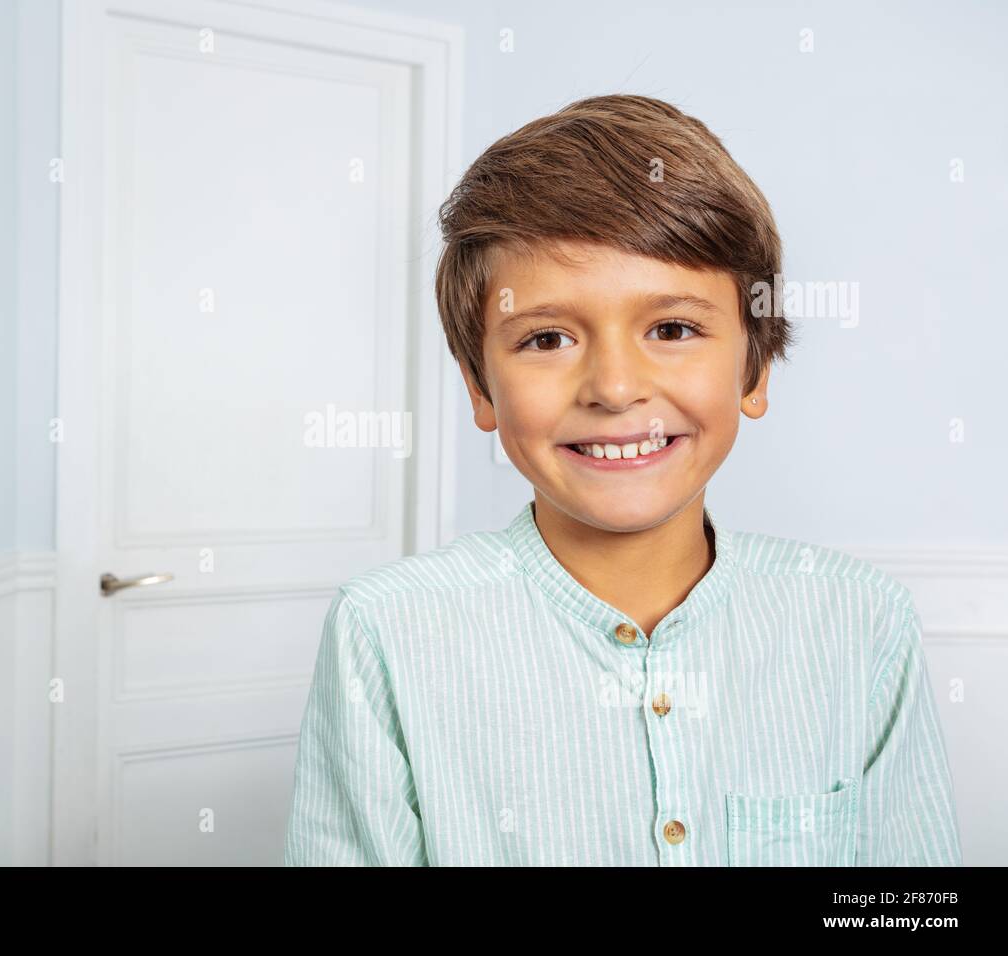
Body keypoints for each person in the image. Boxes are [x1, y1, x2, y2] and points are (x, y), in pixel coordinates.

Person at [283, 94, 961, 866]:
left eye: (672, 329)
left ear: (755, 366)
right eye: (547, 338)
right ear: (480, 387)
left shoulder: (860, 621)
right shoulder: (384, 632)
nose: (613, 387)